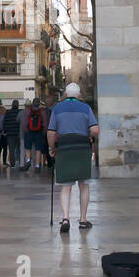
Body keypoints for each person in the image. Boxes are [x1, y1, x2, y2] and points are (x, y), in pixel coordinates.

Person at [48, 82, 99, 233]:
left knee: (65, 186)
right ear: (79, 95)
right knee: (84, 185)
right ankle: (83, 220)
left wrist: (52, 148)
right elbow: (95, 130)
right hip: (82, 148)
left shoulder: (57, 108)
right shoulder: (86, 108)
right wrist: (87, 135)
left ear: (65, 95)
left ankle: (65, 218)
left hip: (64, 148)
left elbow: (50, 132)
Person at [22, 98, 47, 170]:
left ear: (32, 103)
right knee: (38, 149)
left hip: (29, 132)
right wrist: (43, 133)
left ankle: (28, 160)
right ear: (39, 103)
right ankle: (37, 166)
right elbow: (45, 124)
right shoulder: (42, 111)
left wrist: (25, 131)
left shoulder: (27, 110)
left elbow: (23, 123)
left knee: (27, 148)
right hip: (39, 132)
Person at [3, 99, 22, 168]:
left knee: (11, 149)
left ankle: (12, 164)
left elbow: (4, 123)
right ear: (18, 105)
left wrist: (5, 131)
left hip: (10, 134)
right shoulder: (20, 112)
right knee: (20, 149)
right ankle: (21, 163)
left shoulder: (8, 113)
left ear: (12, 105)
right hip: (19, 133)